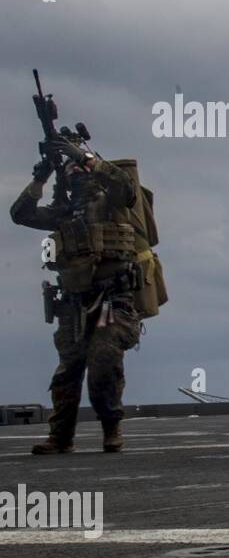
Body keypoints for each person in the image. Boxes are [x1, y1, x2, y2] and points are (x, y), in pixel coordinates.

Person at [12, 136, 164, 454]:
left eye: (78, 166)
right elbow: (21, 214)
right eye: (68, 168)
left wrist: (87, 157)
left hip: (113, 300)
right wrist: (40, 176)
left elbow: (126, 188)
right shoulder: (64, 212)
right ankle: (61, 437)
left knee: (103, 363)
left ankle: (112, 427)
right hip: (73, 304)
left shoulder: (113, 203)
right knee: (67, 371)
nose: (74, 172)